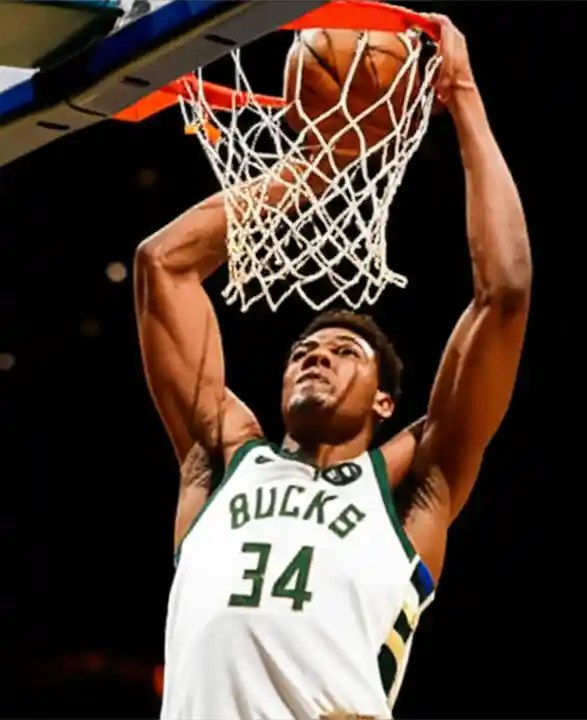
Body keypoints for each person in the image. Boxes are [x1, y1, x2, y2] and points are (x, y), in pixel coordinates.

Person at [135, 16, 532, 719]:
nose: (316, 355)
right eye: (303, 352)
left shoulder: (415, 491)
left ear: (385, 404)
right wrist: (318, 164)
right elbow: (161, 265)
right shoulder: (220, 457)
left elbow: (505, 295)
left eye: (345, 352)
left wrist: (463, 95)